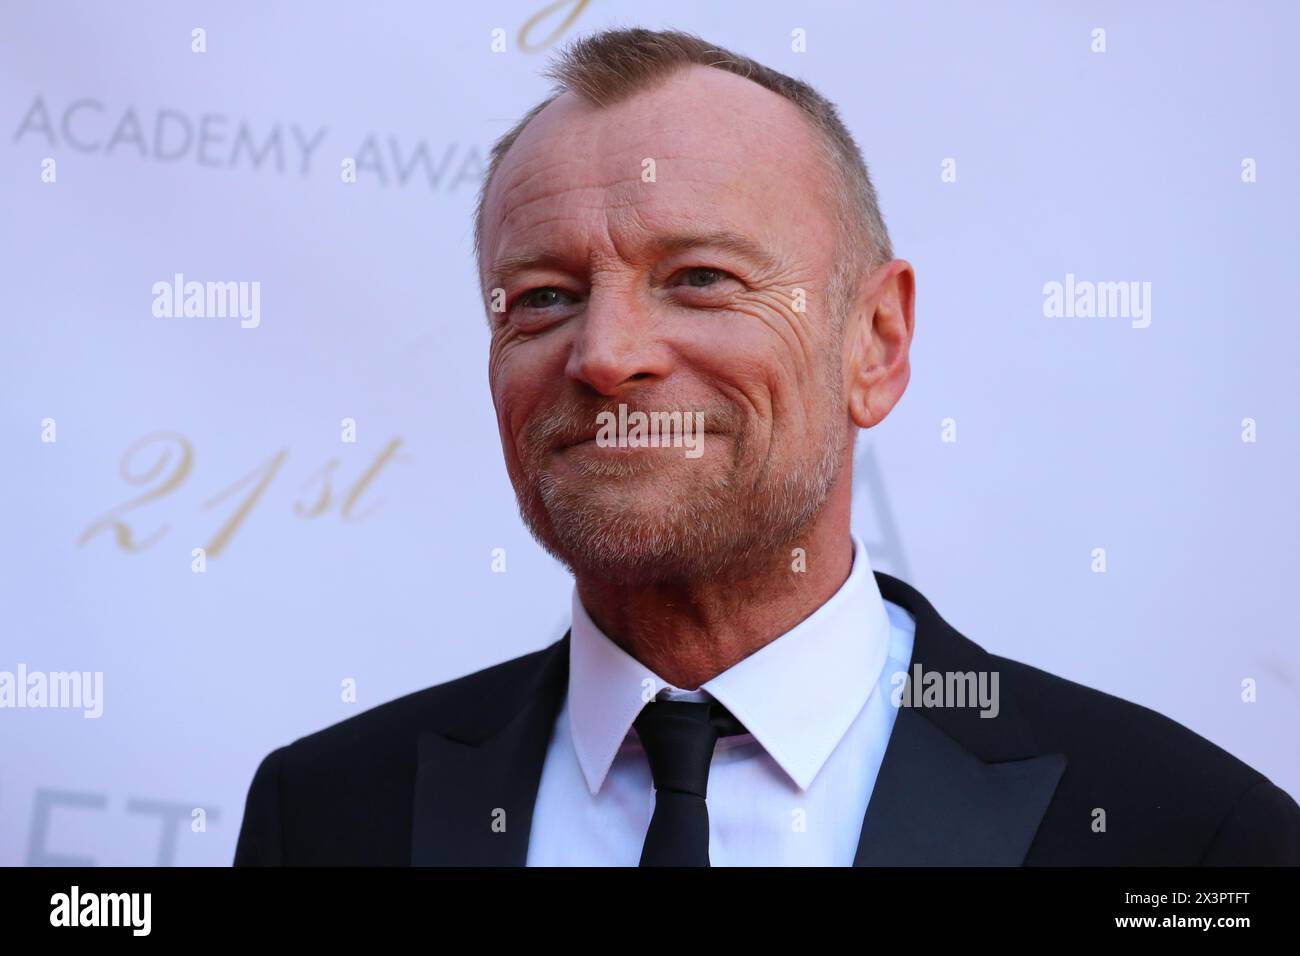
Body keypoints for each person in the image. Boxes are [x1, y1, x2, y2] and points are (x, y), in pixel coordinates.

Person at [234, 27, 1299, 866]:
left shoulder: (1187, 829)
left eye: (699, 277)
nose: (605, 354)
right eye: (545, 297)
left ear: (874, 344)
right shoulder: (328, 811)